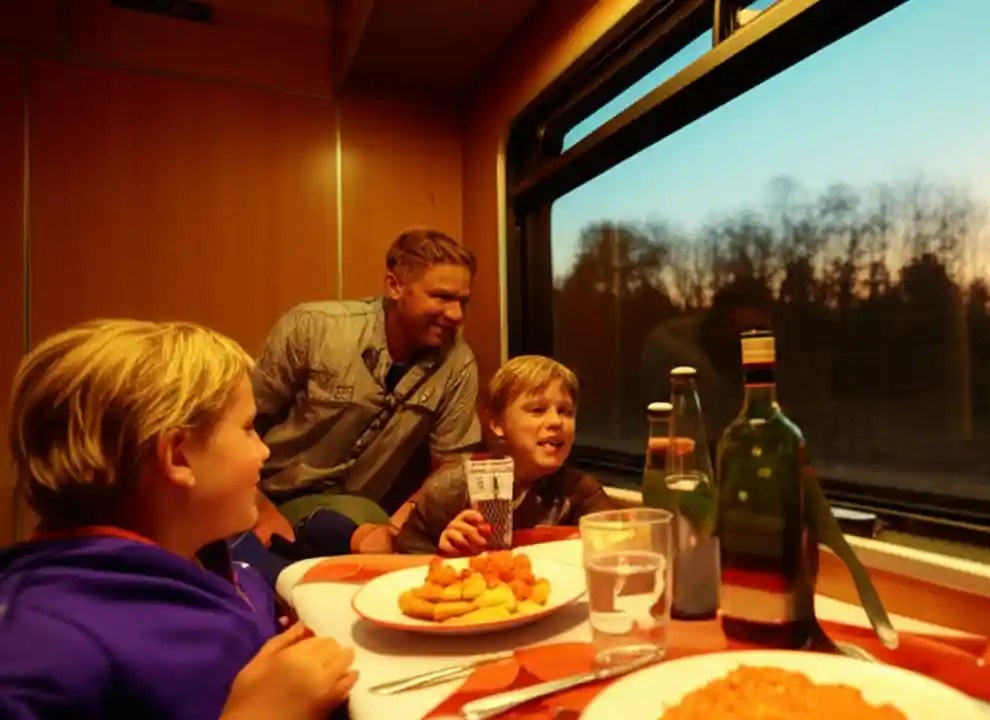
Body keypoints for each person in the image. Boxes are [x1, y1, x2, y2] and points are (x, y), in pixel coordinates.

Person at [0, 319, 356, 720]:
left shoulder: (201, 557)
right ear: (178, 456)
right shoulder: (43, 643)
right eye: (248, 428)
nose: (264, 452)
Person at [252, 228, 484, 532]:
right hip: (266, 498)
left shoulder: (458, 364)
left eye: (463, 301)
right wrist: (260, 511)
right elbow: (242, 425)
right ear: (394, 286)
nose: (455, 314)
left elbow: (450, 469)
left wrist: (401, 526)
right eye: (441, 297)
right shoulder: (314, 329)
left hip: (356, 517)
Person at [394, 355, 615, 555]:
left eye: (565, 411)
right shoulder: (452, 488)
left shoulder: (581, 491)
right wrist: (446, 554)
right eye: (537, 410)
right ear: (497, 423)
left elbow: (616, 550)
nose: (557, 422)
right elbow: (403, 561)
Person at [639, 277, 773, 443]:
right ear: (719, 320)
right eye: (736, 330)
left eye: (756, 333)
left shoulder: (757, 363)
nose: (742, 344)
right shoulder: (670, 346)